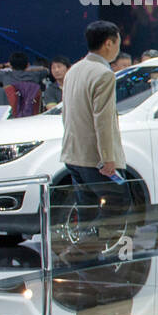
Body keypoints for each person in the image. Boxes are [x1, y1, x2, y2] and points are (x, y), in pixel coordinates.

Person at [61, 21, 126, 245]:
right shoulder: (103, 74)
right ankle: (87, 250)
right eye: (118, 42)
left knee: (87, 208)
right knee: (118, 201)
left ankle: (83, 258)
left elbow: (66, 114)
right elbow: (104, 120)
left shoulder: (74, 70)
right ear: (109, 43)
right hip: (94, 158)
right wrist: (107, 158)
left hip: (73, 154)